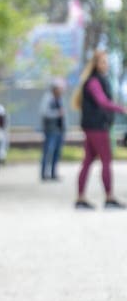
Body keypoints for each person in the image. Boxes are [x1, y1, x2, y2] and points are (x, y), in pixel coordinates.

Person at [70, 49, 127, 209]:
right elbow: (102, 102)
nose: (106, 65)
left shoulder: (98, 80)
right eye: (103, 62)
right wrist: (122, 109)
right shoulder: (94, 81)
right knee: (106, 160)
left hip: (94, 126)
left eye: (107, 62)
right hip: (96, 127)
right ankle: (109, 197)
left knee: (88, 161)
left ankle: (80, 198)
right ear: (95, 64)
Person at [39, 79, 66, 181]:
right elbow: (44, 113)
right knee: (48, 152)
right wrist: (57, 113)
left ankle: (53, 173)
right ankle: (44, 174)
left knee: (56, 152)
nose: (61, 90)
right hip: (50, 130)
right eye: (59, 88)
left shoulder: (60, 99)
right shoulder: (48, 98)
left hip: (59, 130)